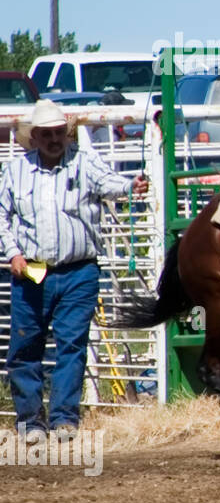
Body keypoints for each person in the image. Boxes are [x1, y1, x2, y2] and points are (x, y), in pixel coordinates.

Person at [0, 100, 149, 443]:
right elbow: (3, 217)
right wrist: (14, 254)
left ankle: (64, 419)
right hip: (32, 269)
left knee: (72, 345)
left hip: (79, 270)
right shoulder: (15, 171)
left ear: (65, 134)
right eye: (47, 134)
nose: (55, 139)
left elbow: (111, 184)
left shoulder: (84, 161)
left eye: (59, 133)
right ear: (34, 136)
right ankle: (30, 421)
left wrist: (131, 186)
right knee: (25, 347)